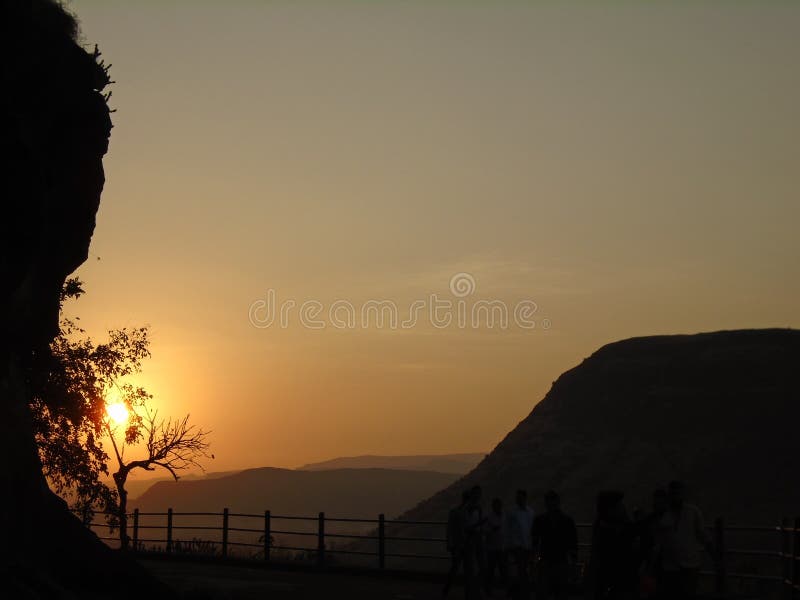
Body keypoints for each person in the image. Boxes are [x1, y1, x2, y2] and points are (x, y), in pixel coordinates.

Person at [656, 481, 716, 600]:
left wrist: (713, 552)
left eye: (678, 492)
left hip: (689, 564)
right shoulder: (662, 514)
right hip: (670, 566)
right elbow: (659, 539)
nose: (676, 496)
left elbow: (703, 534)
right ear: (670, 494)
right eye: (674, 493)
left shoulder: (693, 512)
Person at [587, 491, 637, 600]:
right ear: (610, 509)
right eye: (619, 505)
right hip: (615, 578)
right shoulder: (617, 528)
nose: (623, 507)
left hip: (611, 579)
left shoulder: (603, 527)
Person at [531, 490, 578, 600]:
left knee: (545, 592)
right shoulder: (567, 520)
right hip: (557, 561)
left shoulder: (540, 520)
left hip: (549, 561)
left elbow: (535, 541)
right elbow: (573, 544)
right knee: (560, 592)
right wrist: (573, 563)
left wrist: (534, 560)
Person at [506, 489, 535, 599]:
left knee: (522, 571)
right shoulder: (512, 512)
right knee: (521, 570)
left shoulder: (530, 512)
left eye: (520, 497)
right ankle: (523, 593)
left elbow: (531, 530)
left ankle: (519, 593)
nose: (518, 499)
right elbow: (508, 529)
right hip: (517, 546)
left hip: (527, 546)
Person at [443, 490, 470, 598]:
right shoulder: (460, 512)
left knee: (456, 568)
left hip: (460, 544)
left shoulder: (456, 511)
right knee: (458, 568)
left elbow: (449, 528)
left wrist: (449, 543)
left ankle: (447, 589)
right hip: (460, 544)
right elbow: (450, 528)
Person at [484, 497, 507, 596]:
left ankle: (504, 590)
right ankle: (489, 590)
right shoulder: (489, 517)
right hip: (492, 548)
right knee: (491, 571)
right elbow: (485, 531)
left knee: (503, 570)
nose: (498, 507)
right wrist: (492, 530)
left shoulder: (504, 516)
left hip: (501, 548)